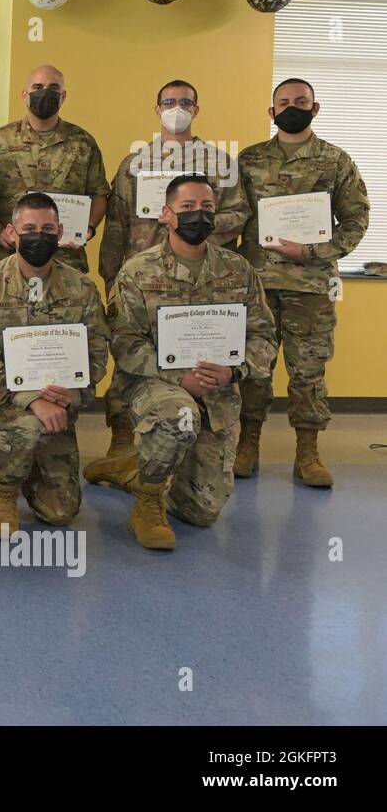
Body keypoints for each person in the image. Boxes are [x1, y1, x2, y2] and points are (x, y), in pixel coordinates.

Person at [88, 79, 248, 487]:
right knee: (133, 357)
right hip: (142, 280)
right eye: (170, 101)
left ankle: (183, 442)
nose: (178, 107)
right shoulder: (134, 164)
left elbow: (238, 215)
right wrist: (110, 276)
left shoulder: (220, 163)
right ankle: (123, 437)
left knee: (191, 353)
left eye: (186, 102)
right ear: (157, 108)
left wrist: (195, 226)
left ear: (197, 109)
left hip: (200, 280)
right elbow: (118, 224)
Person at [106, 175, 276, 550]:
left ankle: (131, 467)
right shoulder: (137, 271)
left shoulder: (238, 270)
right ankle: (148, 501)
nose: (197, 216)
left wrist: (235, 370)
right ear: (166, 214)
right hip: (157, 385)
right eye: (187, 208)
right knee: (179, 417)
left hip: (219, 387)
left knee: (202, 512)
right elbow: (123, 341)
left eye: (206, 208)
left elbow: (264, 336)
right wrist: (178, 376)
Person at [234, 78, 371, 486]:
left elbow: (356, 219)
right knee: (254, 369)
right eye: (284, 102)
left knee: (308, 372)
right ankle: (247, 444)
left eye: (301, 101)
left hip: (310, 286)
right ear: (271, 111)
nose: (292, 106)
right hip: (256, 285)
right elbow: (232, 218)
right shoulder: (249, 159)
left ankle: (308, 453)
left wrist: (313, 252)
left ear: (316, 107)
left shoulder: (335, 160)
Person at [0, 192, 109, 536]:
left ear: (59, 233)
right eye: (29, 228)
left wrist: (71, 393)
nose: (37, 236)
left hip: (59, 400)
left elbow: (97, 353)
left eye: (46, 228)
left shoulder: (82, 288)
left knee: (60, 512)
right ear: (11, 233)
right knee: (26, 425)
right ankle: (3, 492)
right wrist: (31, 399)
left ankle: (30, 466)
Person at [0, 64, 107, 272]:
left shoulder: (83, 143)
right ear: (25, 95)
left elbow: (99, 194)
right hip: (7, 257)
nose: (45, 93)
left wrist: (88, 228)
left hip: (65, 258)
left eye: (53, 88)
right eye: (37, 87)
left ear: (63, 96)